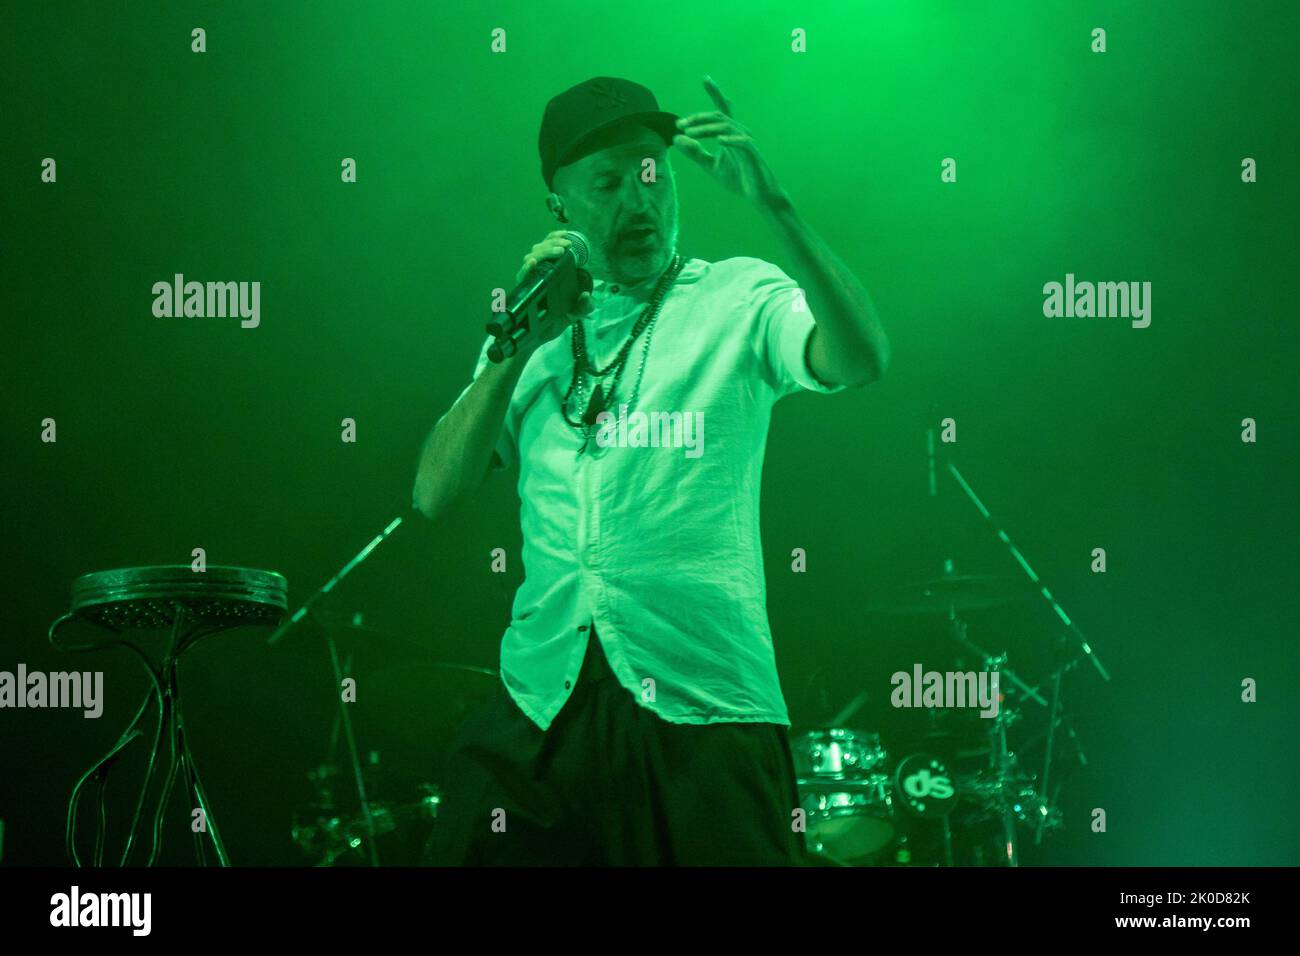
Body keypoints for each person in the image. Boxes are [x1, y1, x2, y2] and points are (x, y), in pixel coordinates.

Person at [414, 75, 889, 865]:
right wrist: (517, 342)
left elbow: (861, 357)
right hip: (542, 703)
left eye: (651, 174)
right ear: (559, 208)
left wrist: (777, 206)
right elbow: (434, 492)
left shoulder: (737, 297)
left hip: (704, 705)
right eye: (608, 183)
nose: (638, 201)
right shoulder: (528, 335)